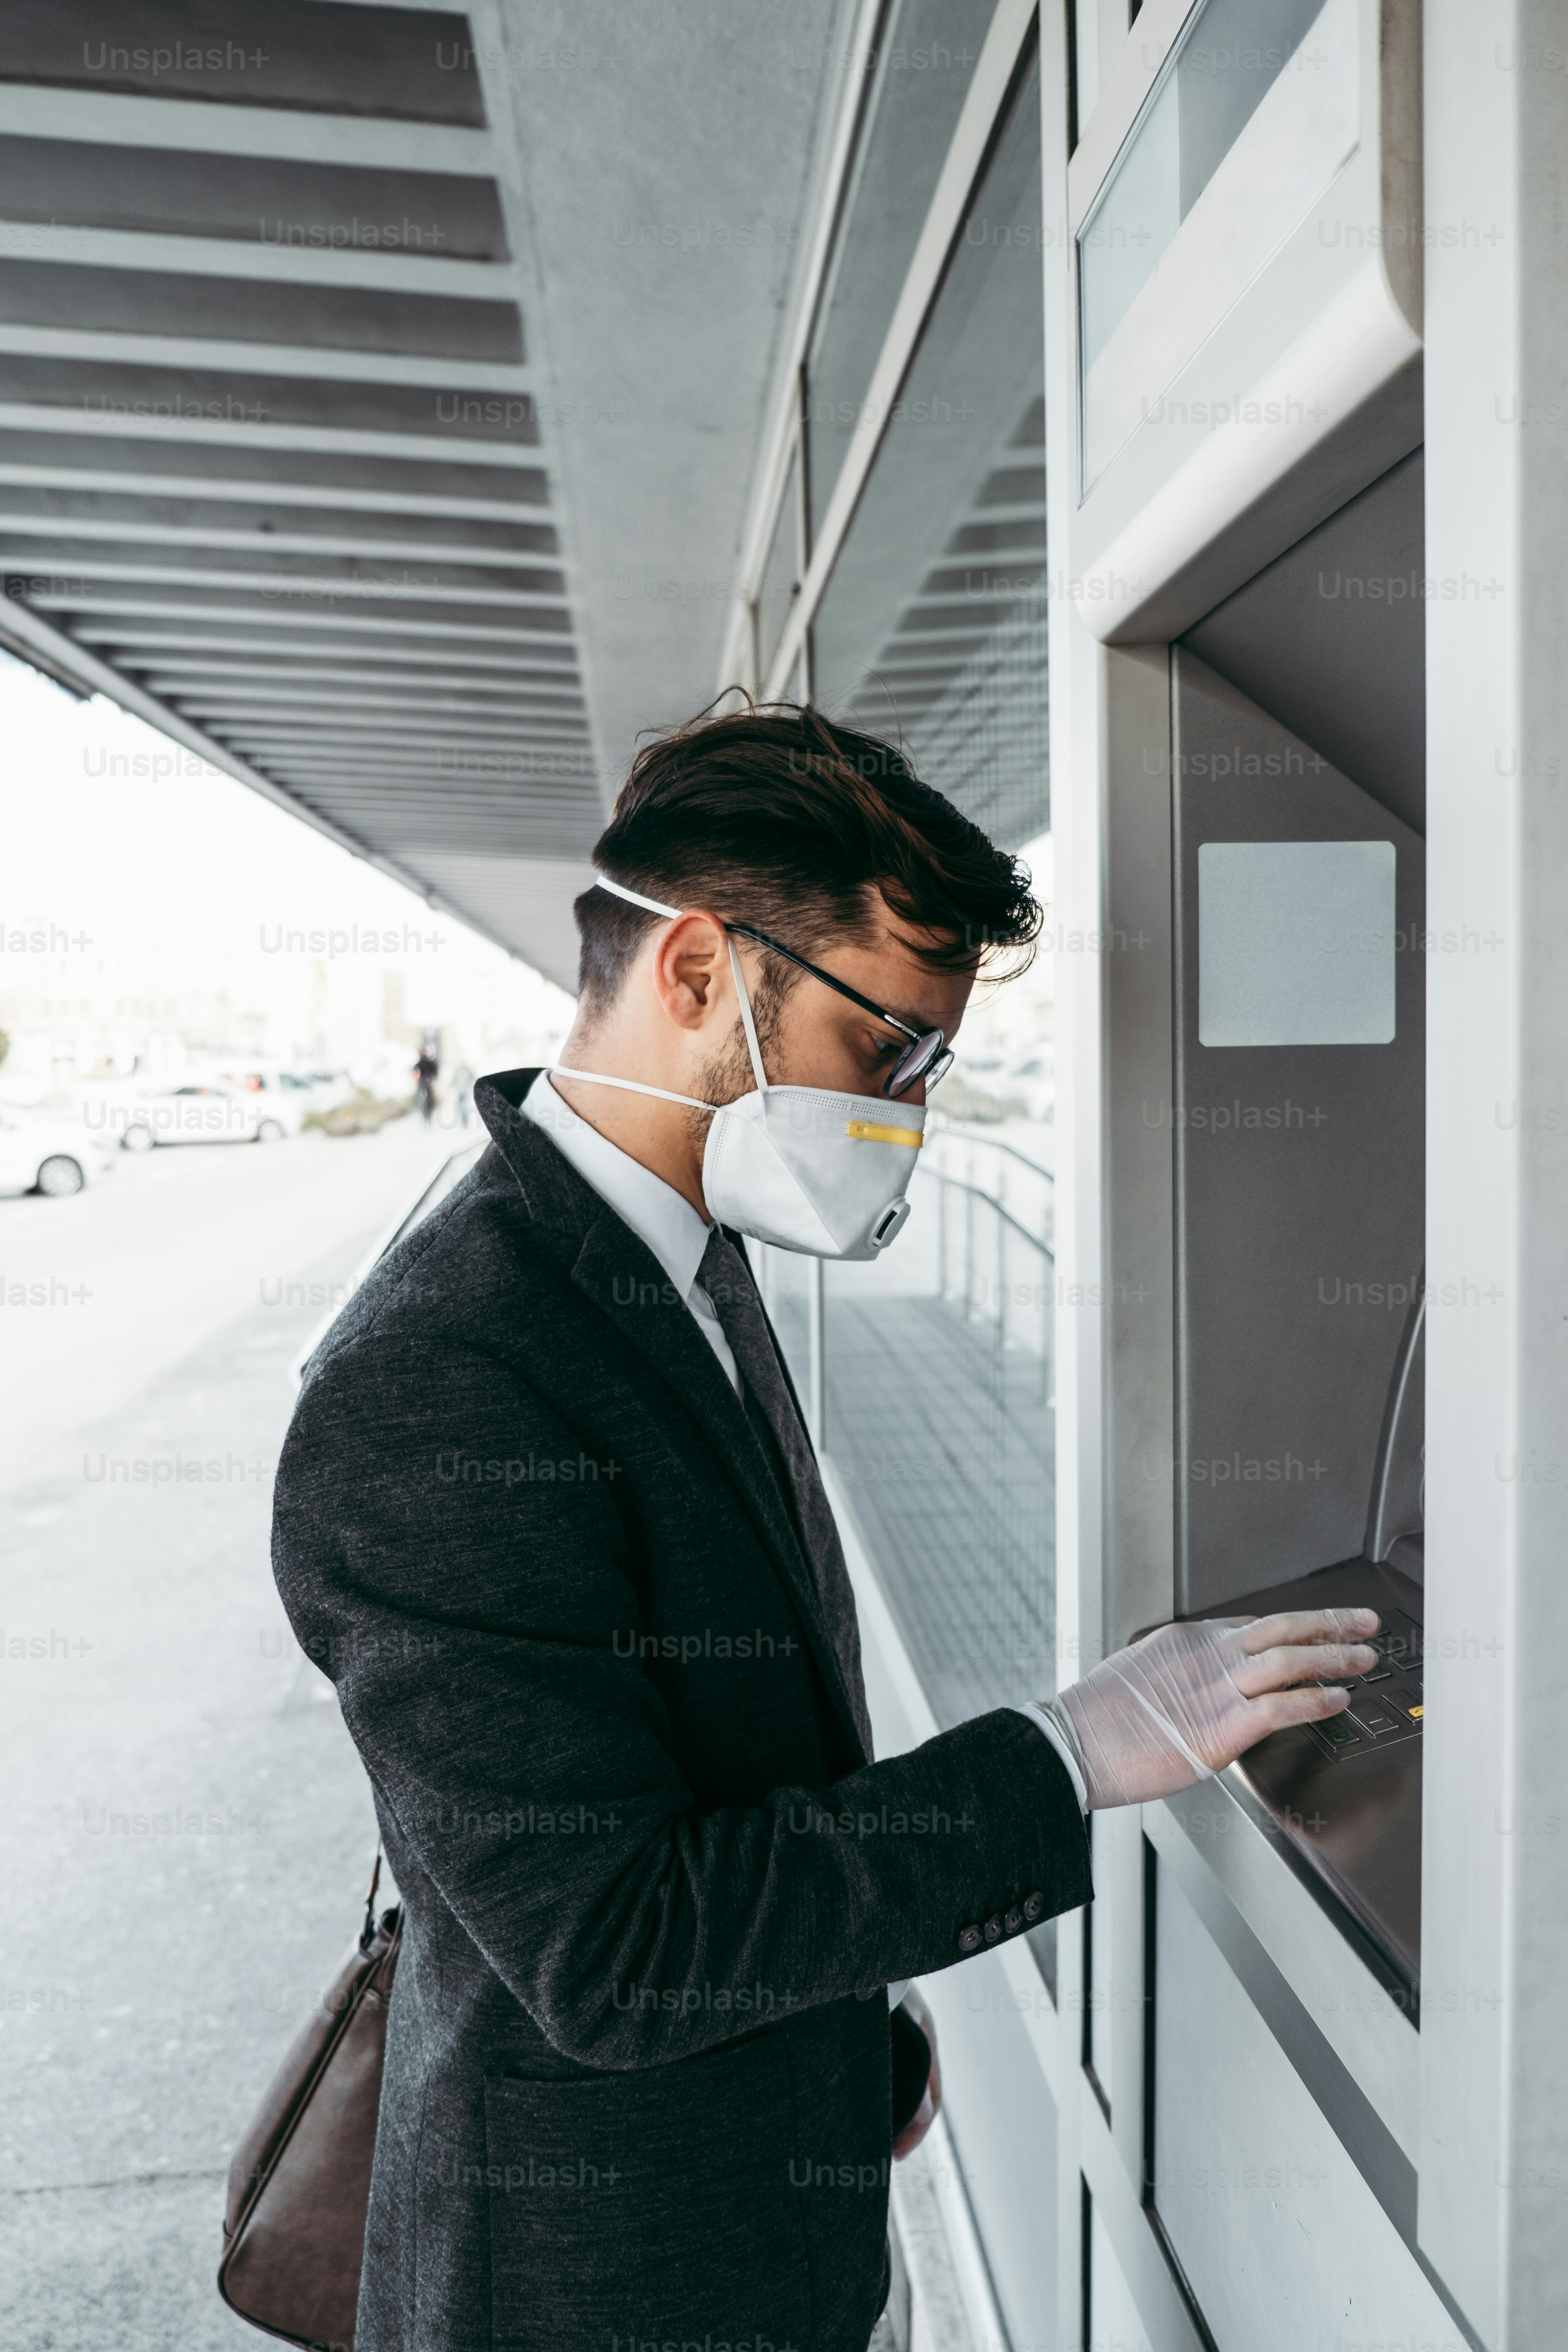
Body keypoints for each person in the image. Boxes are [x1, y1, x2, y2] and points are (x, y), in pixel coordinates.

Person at [271, 704, 1376, 2352]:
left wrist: (853, 2052)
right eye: (887, 1047)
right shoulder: (434, 1380)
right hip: (602, 2292)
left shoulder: (682, 1258)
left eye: (933, 1062)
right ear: (702, 972)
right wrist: (1065, 1753)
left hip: (786, 2215)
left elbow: (722, 1763)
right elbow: (610, 1946)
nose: (911, 1112)